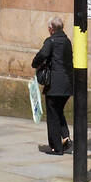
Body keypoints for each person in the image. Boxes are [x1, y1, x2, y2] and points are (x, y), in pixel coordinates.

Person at [32, 17, 73, 155]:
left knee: (53, 115)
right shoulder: (67, 42)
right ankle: (66, 137)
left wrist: (35, 64)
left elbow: (42, 55)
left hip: (54, 85)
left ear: (51, 29)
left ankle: (57, 147)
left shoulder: (51, 41)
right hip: (67, 84)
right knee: (58, 111)